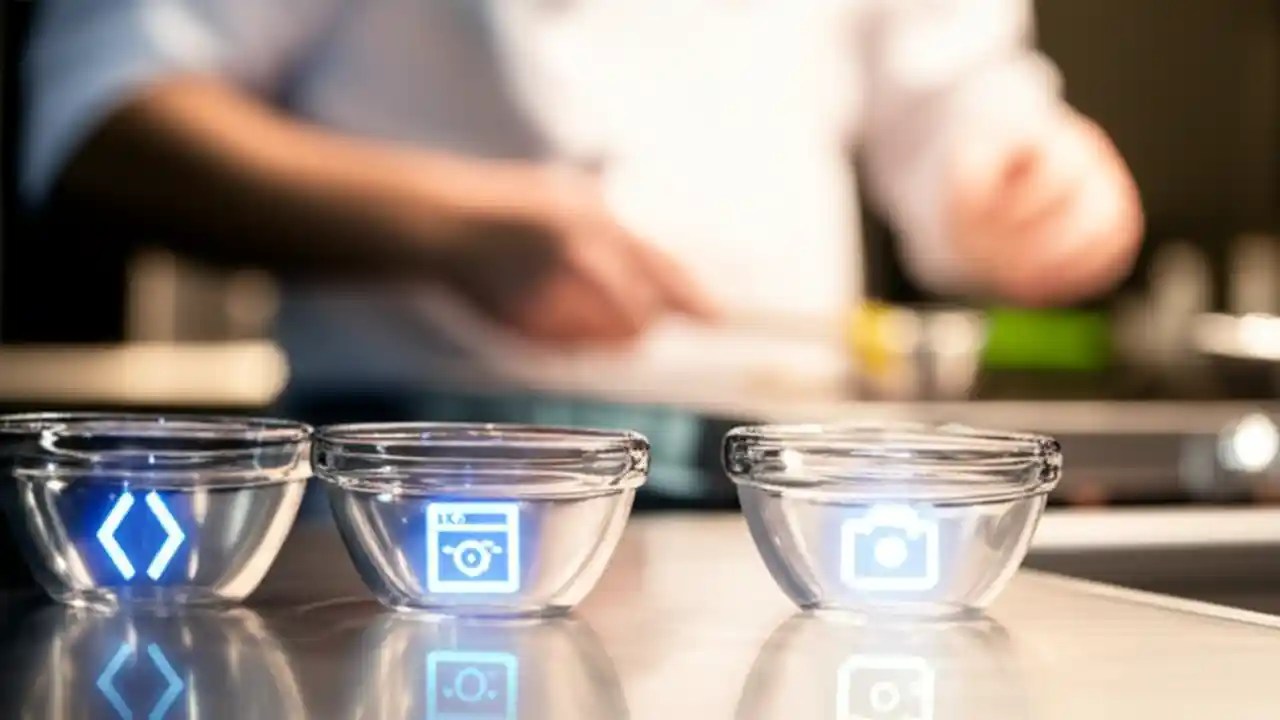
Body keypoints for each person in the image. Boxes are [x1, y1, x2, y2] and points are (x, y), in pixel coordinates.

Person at [22, 0, 1141, 494]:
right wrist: (446, 229)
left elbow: (957, 105)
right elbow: (101, 122)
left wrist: (1028, 179)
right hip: (404, 471)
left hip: (788, 475)